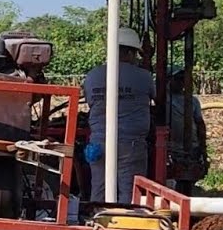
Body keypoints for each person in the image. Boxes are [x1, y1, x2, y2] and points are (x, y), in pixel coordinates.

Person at [80, 26, 156, 202]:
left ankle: (99, 221)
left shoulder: (93, 76)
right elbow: (158, 99)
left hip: (98, 143)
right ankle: (126, 224)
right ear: (130, 52)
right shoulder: (144, 77)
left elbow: (91, 102)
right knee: (129, 192)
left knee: (99, 188)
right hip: (130, 144)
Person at [165, 64, 208, 192]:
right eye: (177, 79)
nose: (181, 82)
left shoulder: (193, 101)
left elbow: (200, 124)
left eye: (183, 79)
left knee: (188, 181)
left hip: (190, 147)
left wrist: (203, 148)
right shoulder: (164, 98)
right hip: (170, 149)